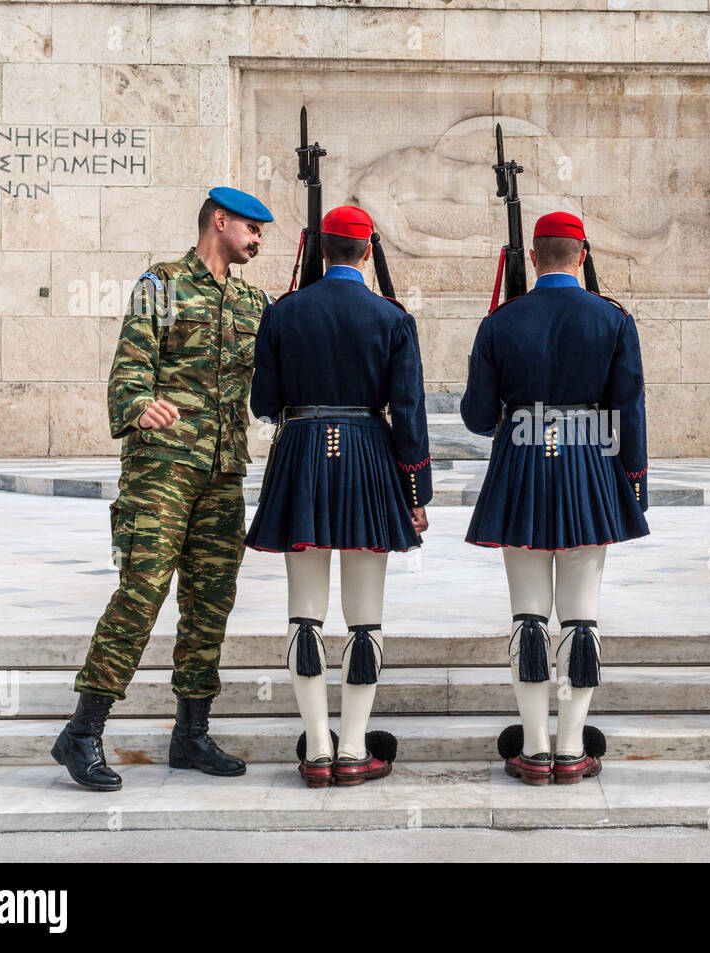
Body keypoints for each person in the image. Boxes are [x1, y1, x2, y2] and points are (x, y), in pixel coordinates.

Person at [53, 187, 273, 791]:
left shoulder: (256, 301)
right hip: (162, 468)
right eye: (252, 227)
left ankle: (190, 734)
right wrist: (139, 404)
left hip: (223, 469)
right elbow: (131, 361)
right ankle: (82, 731)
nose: (259, 239)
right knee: (142, 592)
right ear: (219, 221)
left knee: (210, 603)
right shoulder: (162, 283)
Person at [245, 205, 430, 787]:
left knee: (304, 614)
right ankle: (353, 749)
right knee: (364, 620)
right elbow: (409, 413)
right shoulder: (392, 318)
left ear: (321, 250)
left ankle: (317, 750)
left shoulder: (284, 312)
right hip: (370, 458)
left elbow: (263, 403)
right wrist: (415, 490)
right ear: (367, 251)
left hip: (301, 452)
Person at [462, 211, 648, 785]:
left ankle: (534, 748)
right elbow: (629, 408)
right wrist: (632, 480)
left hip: (521, 462)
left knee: (527, 615)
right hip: (590, 462)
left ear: (533, 258)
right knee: (582, 615)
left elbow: (475, 416)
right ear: (583, 253)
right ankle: (571, 748)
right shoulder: (612, 318)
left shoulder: (502, 320)